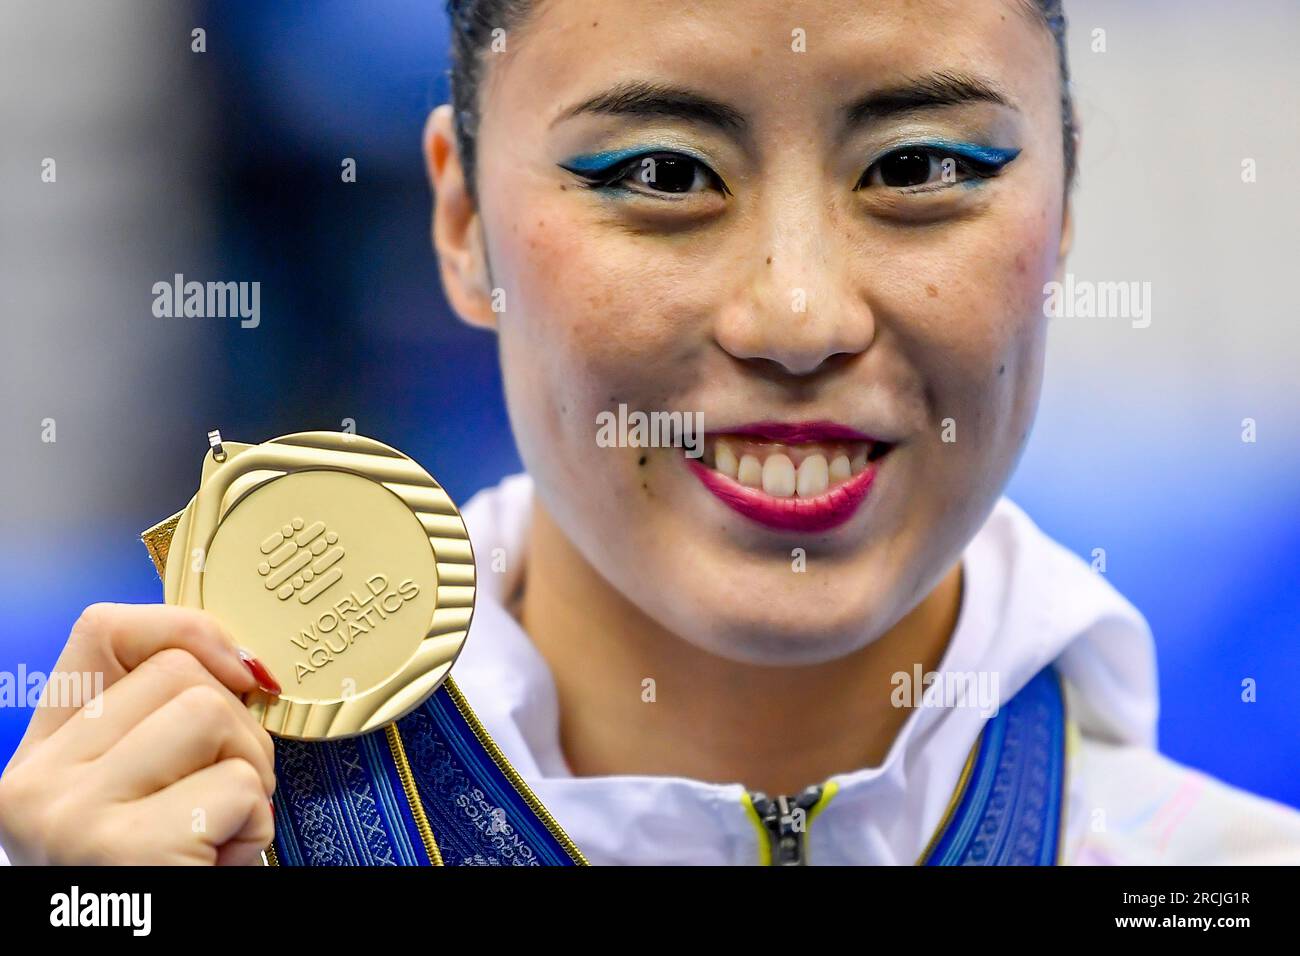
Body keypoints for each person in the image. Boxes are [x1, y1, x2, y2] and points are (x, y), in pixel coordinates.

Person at [2, 0, 1298, 865]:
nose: (798, 316)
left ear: (1064, 204)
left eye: (919, 166)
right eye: (663, 174)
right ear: (462, 225)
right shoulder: (166, 845)